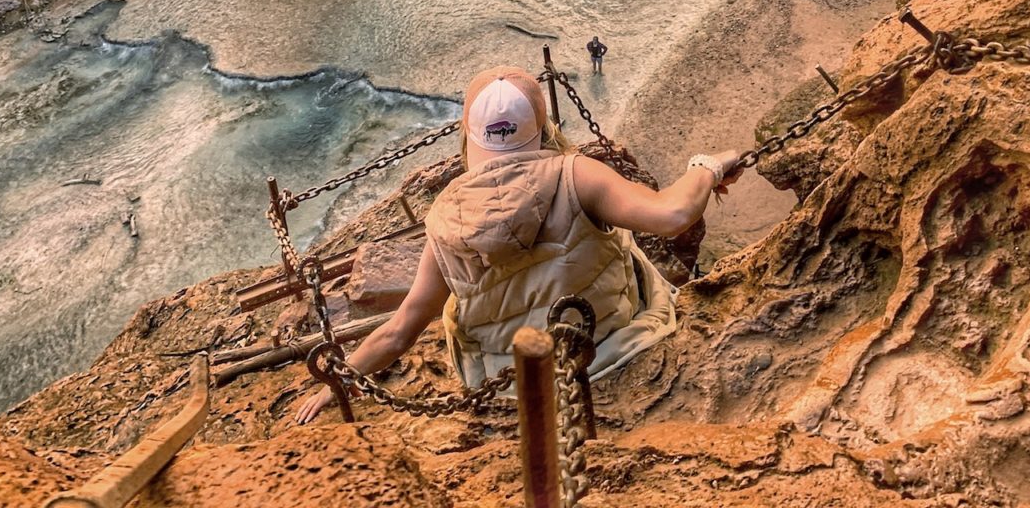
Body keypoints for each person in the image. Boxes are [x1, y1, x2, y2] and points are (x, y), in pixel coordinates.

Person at [294, 65, 741, 423]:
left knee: (452, 308)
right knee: (626, 247)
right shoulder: (576, 174)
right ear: (542, 125)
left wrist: (338, 380)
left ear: (468, 135)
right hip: (606, 346)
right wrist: (708, 165)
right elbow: (674, 216)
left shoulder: (445, 217)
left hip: (512, 383)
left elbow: (400, 330)